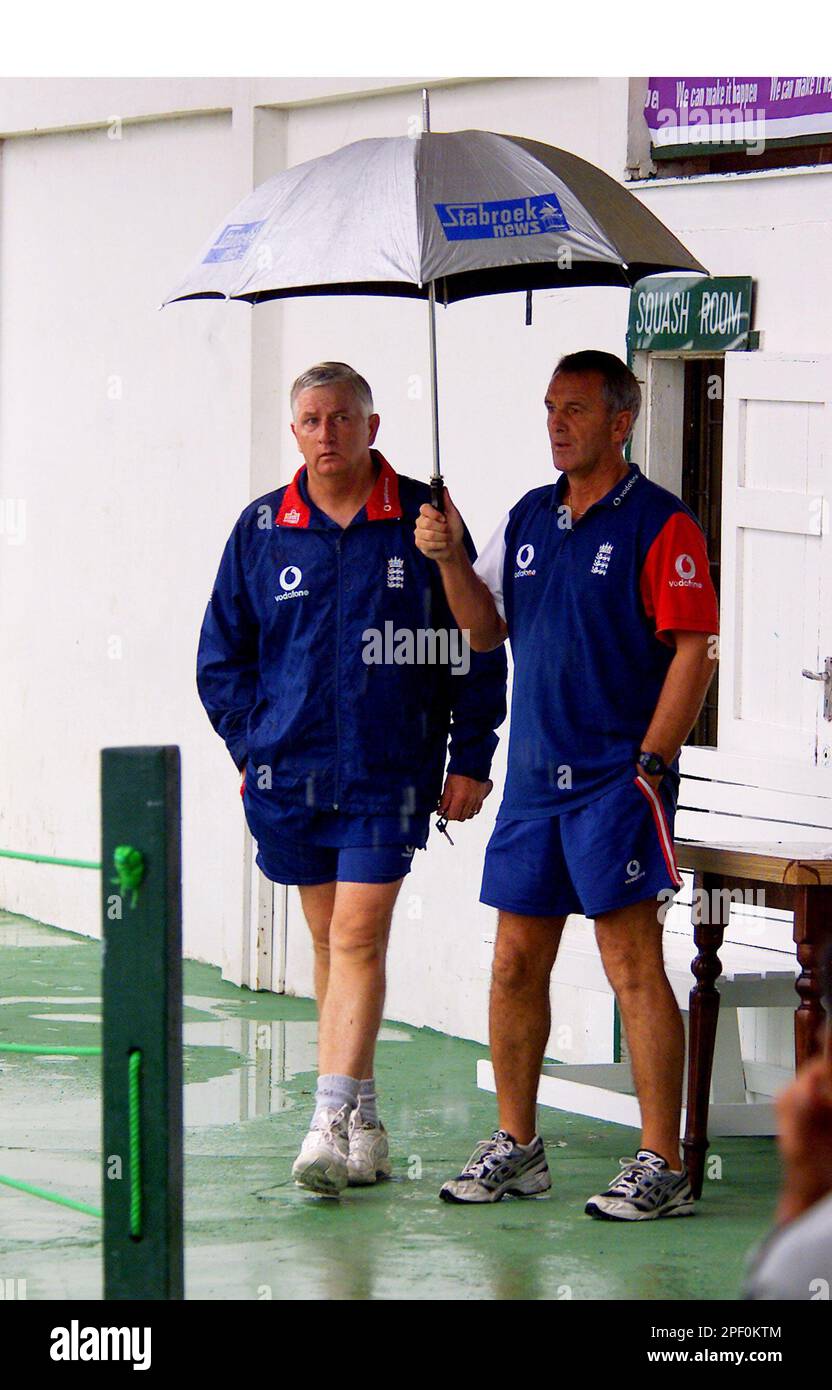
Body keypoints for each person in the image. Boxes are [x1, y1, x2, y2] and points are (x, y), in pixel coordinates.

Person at [415, 349, 719, 1217]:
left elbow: (694, 650)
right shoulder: (528, 516)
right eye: (550, 407)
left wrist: (649, 768)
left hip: (614, 785)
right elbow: (485, 628)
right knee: (515, 963)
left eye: (576, 409)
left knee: (631, 963)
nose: (557, 423)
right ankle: (518, 1146)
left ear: (621, 422)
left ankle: (663, 1164)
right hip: (532, 790)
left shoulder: (663, 525)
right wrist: (446, 559)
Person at [197, 361, 506, 1197]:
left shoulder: (425, 518)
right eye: (310, 420)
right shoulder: (264, 528)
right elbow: (221, 660)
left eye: (342, 418)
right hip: (289, 777)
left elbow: (480, 643)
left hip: (389, 772)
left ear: (373, 428)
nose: (326, 433)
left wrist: (471, 755)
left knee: (359, 939)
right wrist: (252, 748)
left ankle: (325, 1120)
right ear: (293, 430)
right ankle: (367, 1121)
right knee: (331, 944)